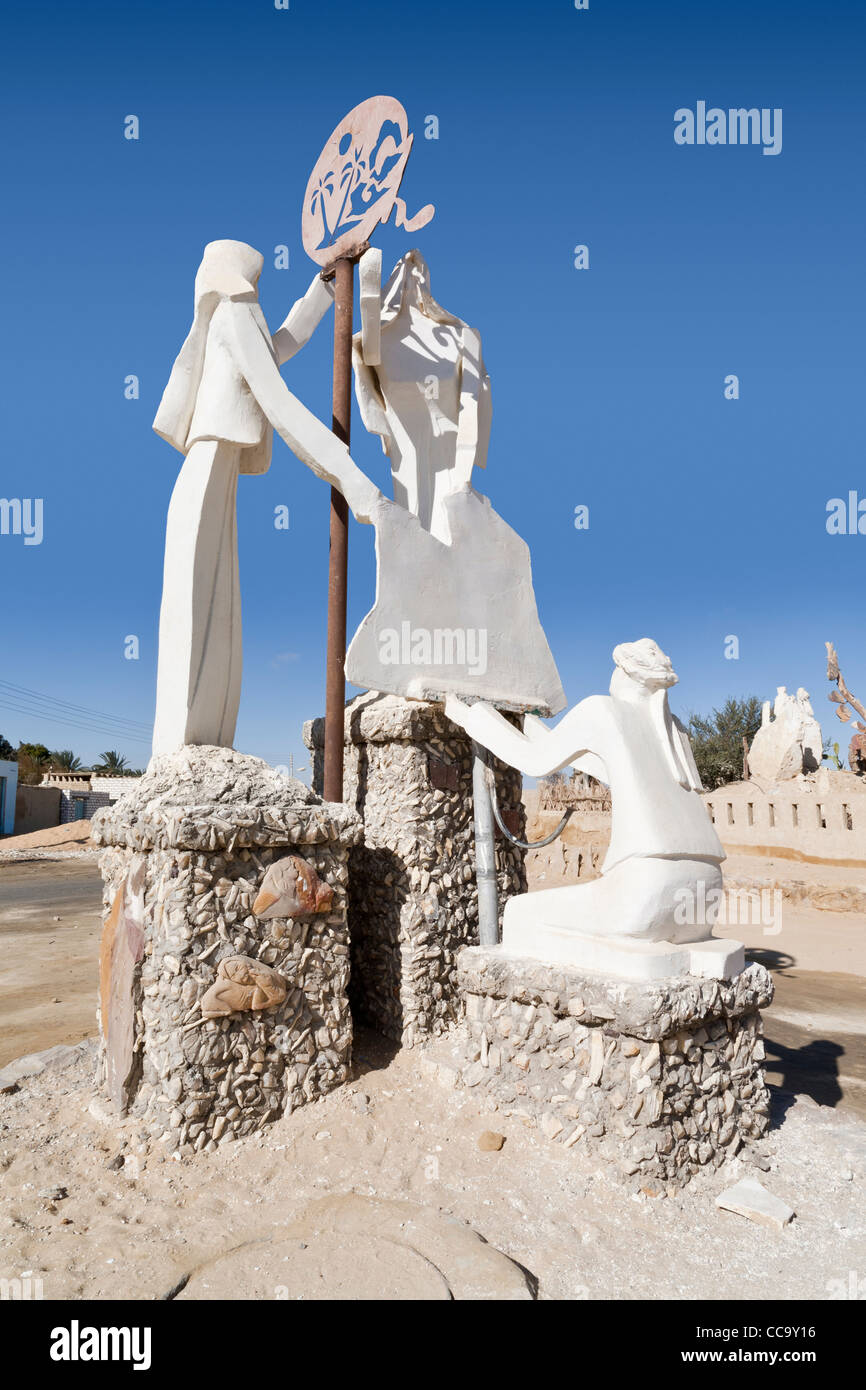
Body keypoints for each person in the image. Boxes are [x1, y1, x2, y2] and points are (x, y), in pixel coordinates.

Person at [152, 239, 380, 757]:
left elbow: (286, 342)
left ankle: (202, 747)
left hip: (217, 478)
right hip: (204, 476)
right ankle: (180, 753)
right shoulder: (235, 313)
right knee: (197, 623)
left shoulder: (236, 321)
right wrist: (351, 478)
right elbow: (280, 404)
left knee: (219, 622)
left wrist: (324, 287)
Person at [445, 639, 726, 948]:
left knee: (519, 913)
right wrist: (532, 724)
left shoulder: (601, 709)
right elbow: (605, 768)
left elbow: (534, 761)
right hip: (706, 896)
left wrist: (470, 715)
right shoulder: (675, 728)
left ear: (624, 672)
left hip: (646, 888)